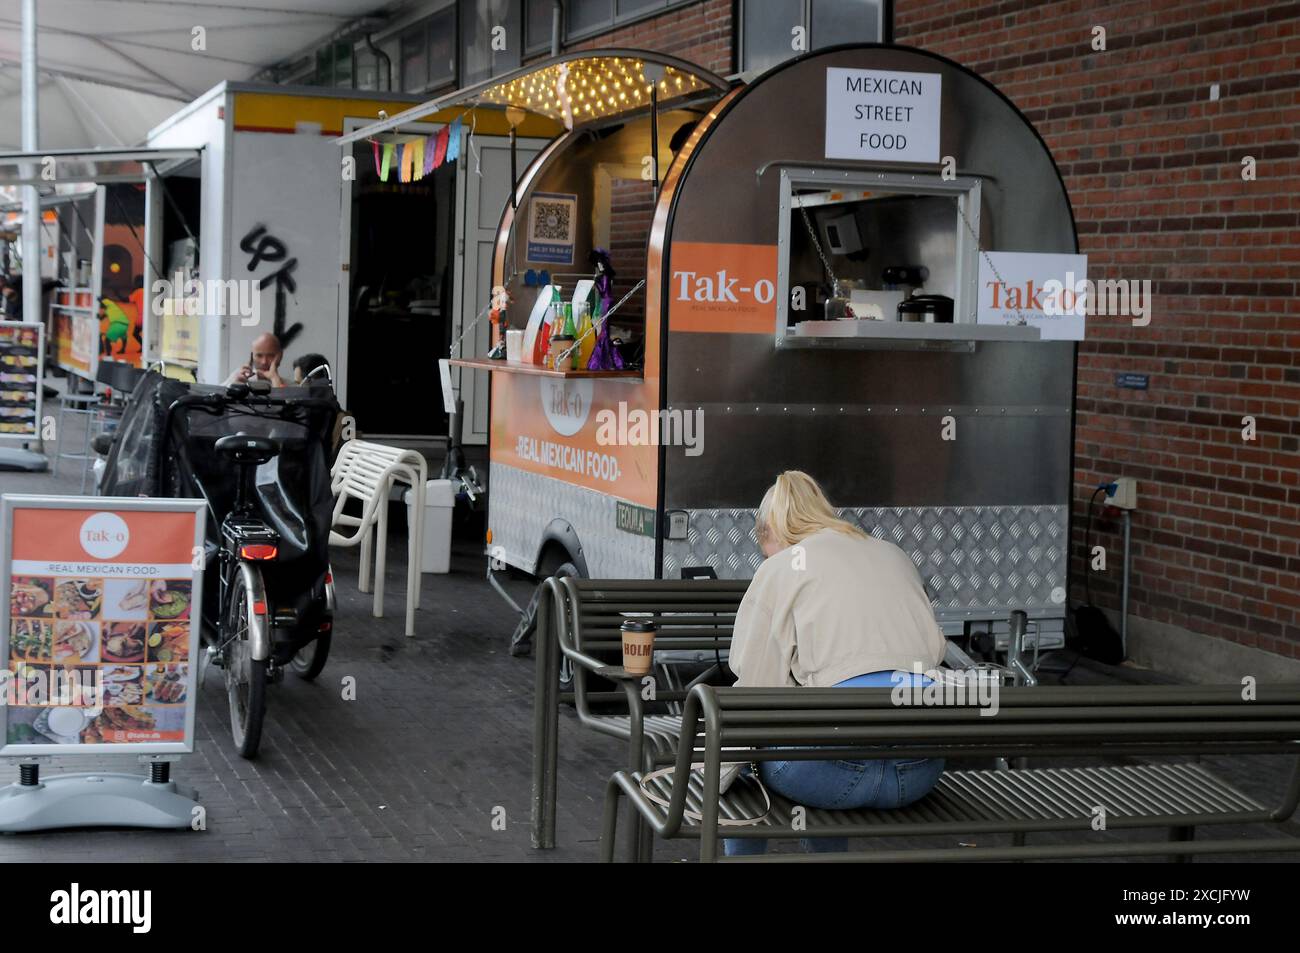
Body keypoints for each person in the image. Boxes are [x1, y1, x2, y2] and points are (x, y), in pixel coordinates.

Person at [724, 471, 948, 857]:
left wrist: (716, 769)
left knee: (745, 754)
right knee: (822, 725)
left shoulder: (781, 568)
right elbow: (934, 652)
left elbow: (755, 688)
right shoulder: (893, 554)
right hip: (917, 772)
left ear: (773, 533)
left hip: (830, 776)